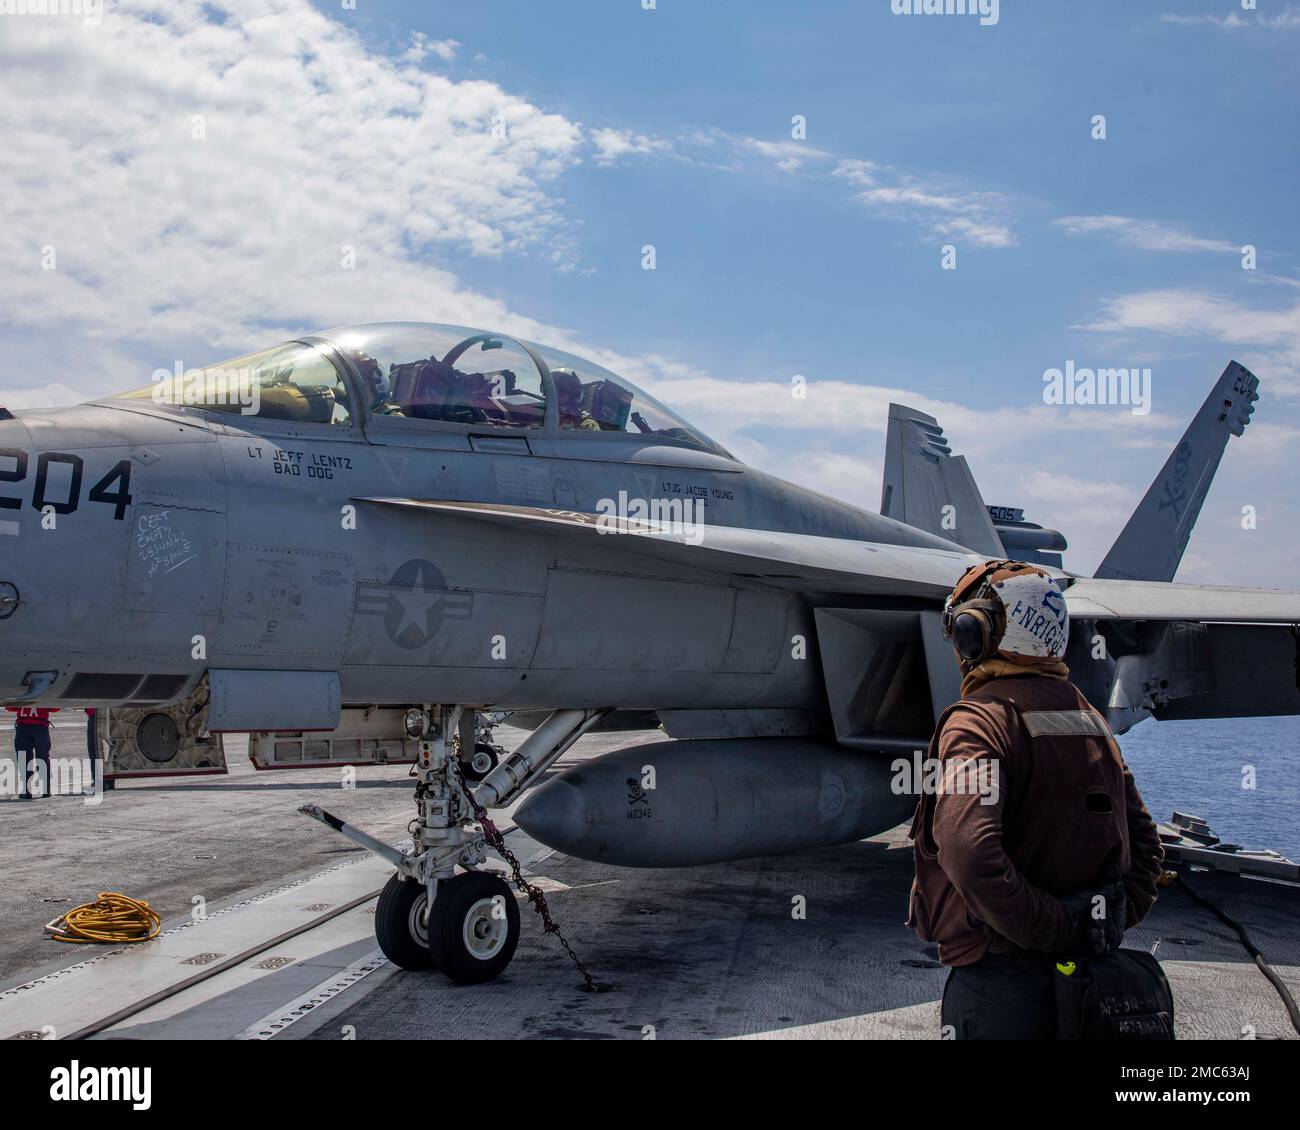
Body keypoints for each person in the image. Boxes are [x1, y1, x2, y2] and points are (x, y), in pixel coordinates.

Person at [907, 559, 1165, 1039]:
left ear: (976, 633)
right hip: (1085, 985)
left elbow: (969, 855)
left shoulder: (979, 722)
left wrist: (1057, 927)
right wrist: (1099, 922)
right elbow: (1147, 851)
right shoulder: (1089, 717)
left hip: (1002, 989)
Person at [7, 705, 59, 800]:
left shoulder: (21, 691)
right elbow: (55, 707)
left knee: (25, 758)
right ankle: (45, 789)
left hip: (26, 726)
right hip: (39, 726)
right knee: (42, 757)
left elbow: (10, 707)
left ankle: (28, 790)